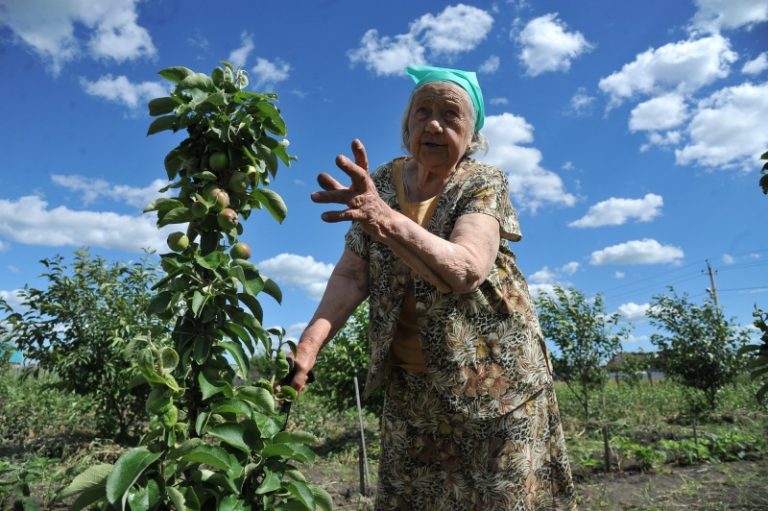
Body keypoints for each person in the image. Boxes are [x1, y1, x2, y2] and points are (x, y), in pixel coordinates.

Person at [289, 65, 576, 510]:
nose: (434, 125)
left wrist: (383, 218)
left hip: (495, 384)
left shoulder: (482, 181)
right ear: (407, 126)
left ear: (472, 132)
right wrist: (308, 347)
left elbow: (465, 271)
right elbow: (352, 274)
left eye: (451, 114)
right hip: (412, 389)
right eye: (422, 112)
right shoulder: (383, 182)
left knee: (500, 499)